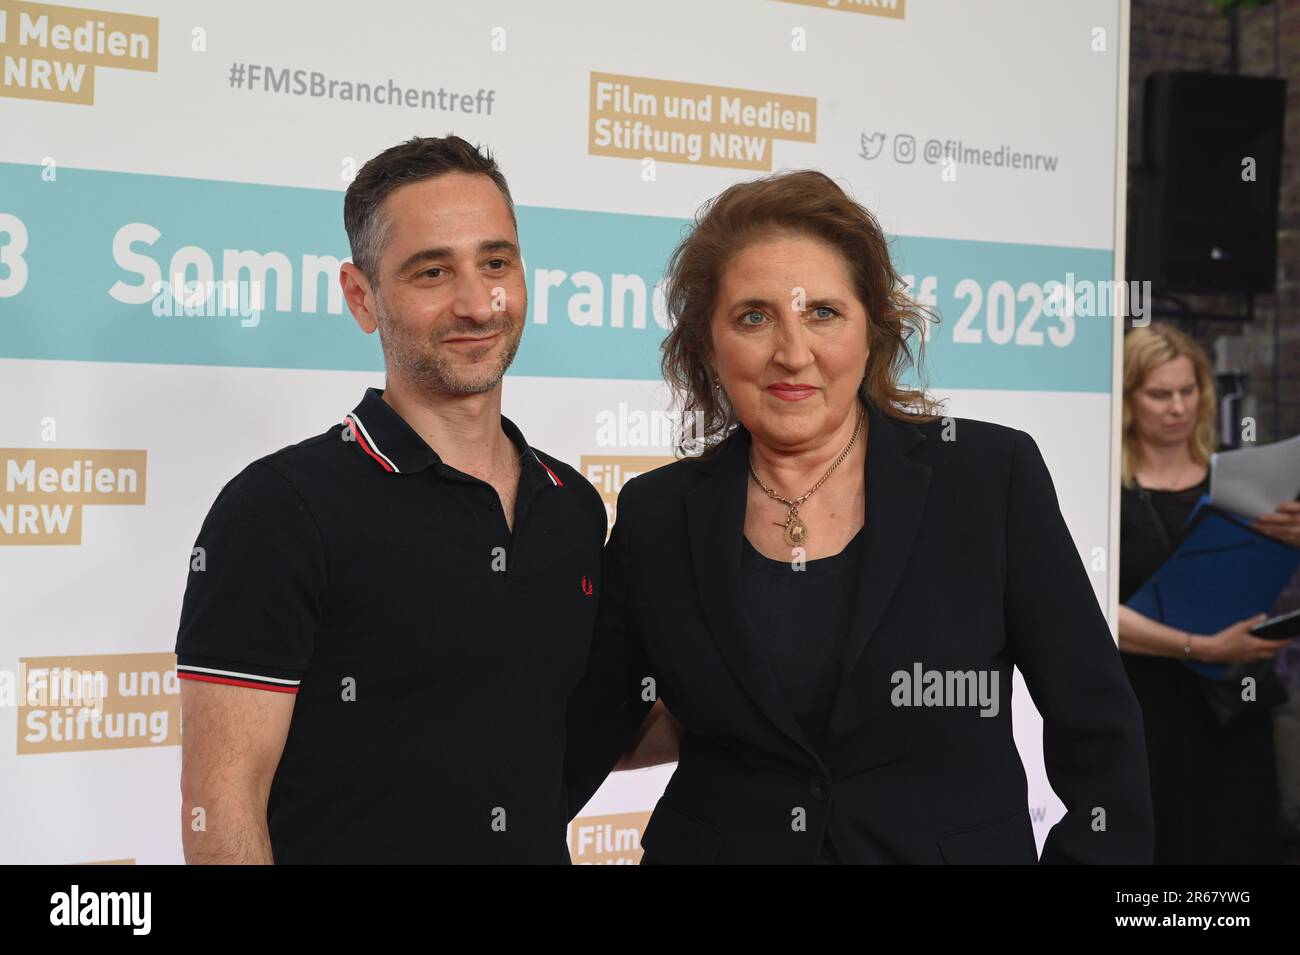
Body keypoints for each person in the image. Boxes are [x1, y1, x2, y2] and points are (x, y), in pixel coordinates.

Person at [565, 169, 1154, 864]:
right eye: (754, 316)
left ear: (873, 329)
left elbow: (1098, 723)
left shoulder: (988, 478)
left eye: (823, 312)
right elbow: (588, 728)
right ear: (706, 344)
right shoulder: (657, 514)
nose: (793, 352)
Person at [176, 136, 606, 863]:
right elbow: (222, 801)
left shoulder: (572, 506)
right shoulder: (279, 510)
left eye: (495, 263)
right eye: (432, 271)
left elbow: (579, 732)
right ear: (361, 295)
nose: (477, 302)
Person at [1116, 323, 1300, 864]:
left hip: (1233, 705)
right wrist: (1201, 645)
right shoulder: (1107, 488)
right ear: (1128, 399)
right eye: (1159, 394)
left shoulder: (1243, 481)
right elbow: (1093, 609)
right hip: (1144, 706)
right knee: (1157, 852)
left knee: (1238, 846)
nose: (1177, 407)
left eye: (1188, 391)